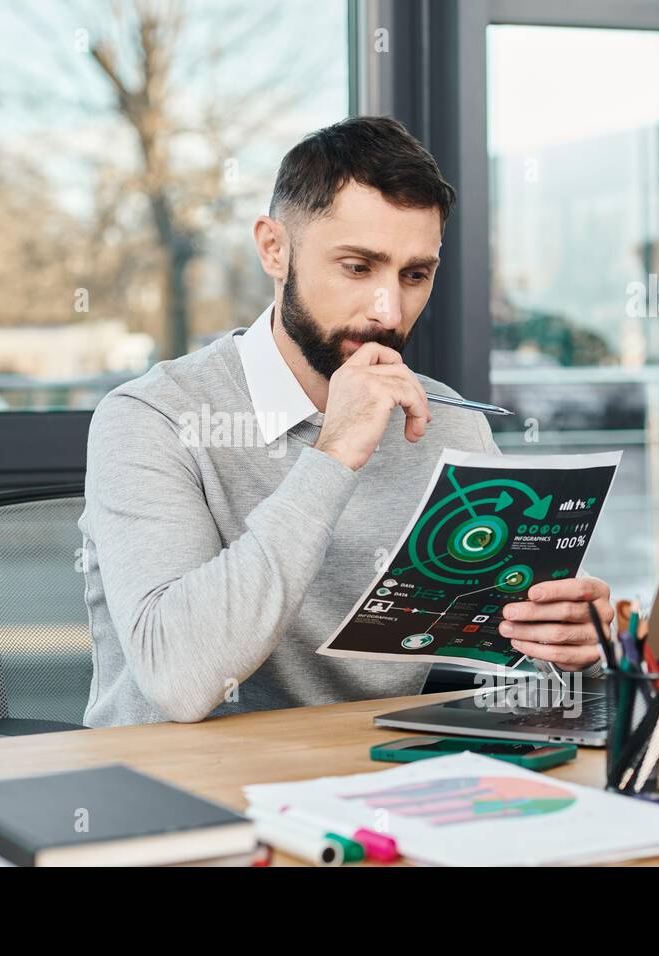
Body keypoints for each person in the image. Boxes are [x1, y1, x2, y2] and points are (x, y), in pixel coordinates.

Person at [79, 116, 614, 727]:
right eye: (358, 267)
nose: (388, 311)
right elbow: (178, 679)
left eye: (415, 275)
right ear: (274, 249)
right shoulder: (151, 417)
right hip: (180, 789)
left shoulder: (448, 423)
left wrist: (572, 649)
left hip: (374, 777)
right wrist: (333, 456)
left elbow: (498, 650)